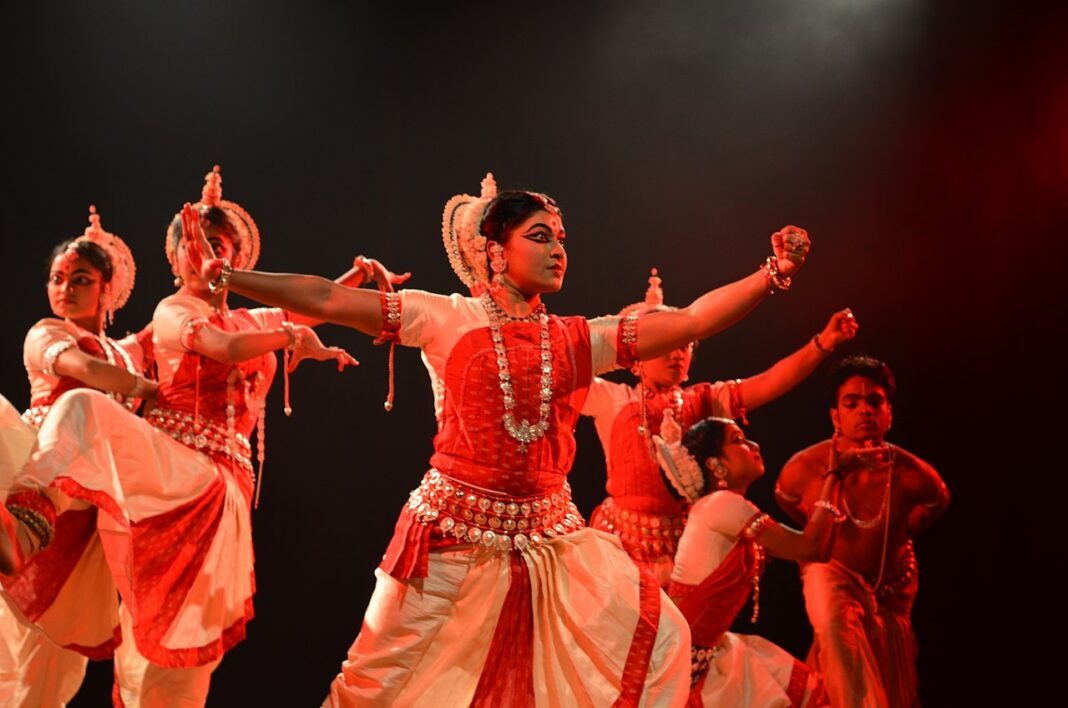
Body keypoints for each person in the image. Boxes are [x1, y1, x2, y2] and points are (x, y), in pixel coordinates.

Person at [190, 172, 815, 706]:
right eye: (539, 237)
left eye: (562, 240)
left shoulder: (581, 339)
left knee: (661, 645)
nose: (558, 251)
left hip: (554, 545)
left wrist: (772, 274)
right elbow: (325, 297)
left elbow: (694, 319)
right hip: (451, 536)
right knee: (373, 687)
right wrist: (233, 278)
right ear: (495, 251)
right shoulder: (445, 317)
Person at [0, 168, 358, 707]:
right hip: (160, 474)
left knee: (174, 661)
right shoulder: (172, 312)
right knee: (81, 409)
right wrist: (287, 338)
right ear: (175, 261)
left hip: (217, 498)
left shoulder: (192, 330)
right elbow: (217, 346)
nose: (206, 256)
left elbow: (309, 307)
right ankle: (25, 520)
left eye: (218, 247)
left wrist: (357, 284)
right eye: (194, 247)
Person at [583, 268, 858, 586]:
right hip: (619, 547)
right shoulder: (612, 400)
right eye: (664, 344)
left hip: (683, 548)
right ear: (635, 357)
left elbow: (768, 383)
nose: (676, 354)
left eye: (684, 345)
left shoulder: (704, 401)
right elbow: (562, 368)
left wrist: (822, 343)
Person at [0, 205, 152, 707]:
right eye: (57, 278)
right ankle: (19, 527)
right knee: (11, 656)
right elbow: (79, 369)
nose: (64, 288)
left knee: (50, 669)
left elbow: (196, 320)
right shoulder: (48, 333)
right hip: (34, 463)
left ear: (108, 290)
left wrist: (303, 312)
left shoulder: (130, 351)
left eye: (80, 279)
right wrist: (137, 386)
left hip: (88, 514)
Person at [775, 356, 950, 707]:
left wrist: (900, 533)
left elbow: (938, 501)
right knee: (838, 635)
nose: (864, 411)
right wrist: (822, 533)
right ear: (835, 417)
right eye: (851, 403)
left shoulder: (910, 472)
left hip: (890, 585)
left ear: (889, 413)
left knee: (891, 679)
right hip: (831, 571)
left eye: (875, 402)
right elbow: (787, 499)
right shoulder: (806, 466)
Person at [656, 413, 840, 706]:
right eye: (738, 440)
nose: (754, 444)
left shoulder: (722, 508)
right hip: (685, 670)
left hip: (707, 656)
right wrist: (833, 477)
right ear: (715, 464)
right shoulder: (721, 505)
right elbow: (810, 548)